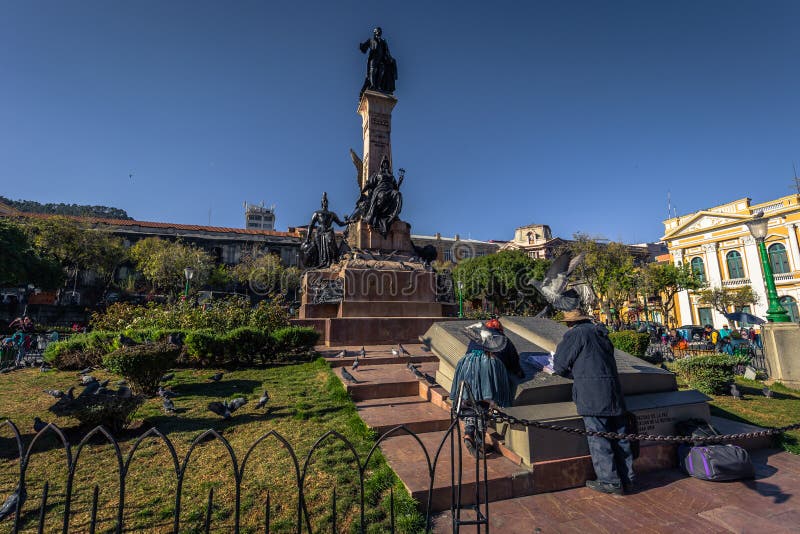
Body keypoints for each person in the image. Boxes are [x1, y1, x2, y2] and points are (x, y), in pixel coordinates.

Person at [553, 309, 635, 495]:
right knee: (621, 437)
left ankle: (610, 481)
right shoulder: (600, 332)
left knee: (599, 439)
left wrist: (574, 374)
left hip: (592, 395)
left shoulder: (576, 334)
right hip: (613, 392)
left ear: (571, 323)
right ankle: (627, 479)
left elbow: (559, 365)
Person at [450, 322, 514, 457]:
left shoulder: (476, 337)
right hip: (487, 366)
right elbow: (512, 362)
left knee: (469, 401)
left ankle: (468, 434)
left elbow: (469, 352)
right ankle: (480, 443)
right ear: (500, 330)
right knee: (483, 404)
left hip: (467, 364)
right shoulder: (501, 340)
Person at [359, 27, 397, 95]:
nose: (379, 32)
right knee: (373, 70)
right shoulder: (371, 40)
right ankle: (373, 85)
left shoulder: (383, 41)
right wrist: (362, 46)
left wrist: (390, 58)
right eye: (378, 30)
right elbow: (364, 47)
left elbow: (387, 51)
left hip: (381, 59)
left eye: (380, 31)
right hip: (373, 58)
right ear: (375, 32)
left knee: (381, 72)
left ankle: (378, 86)